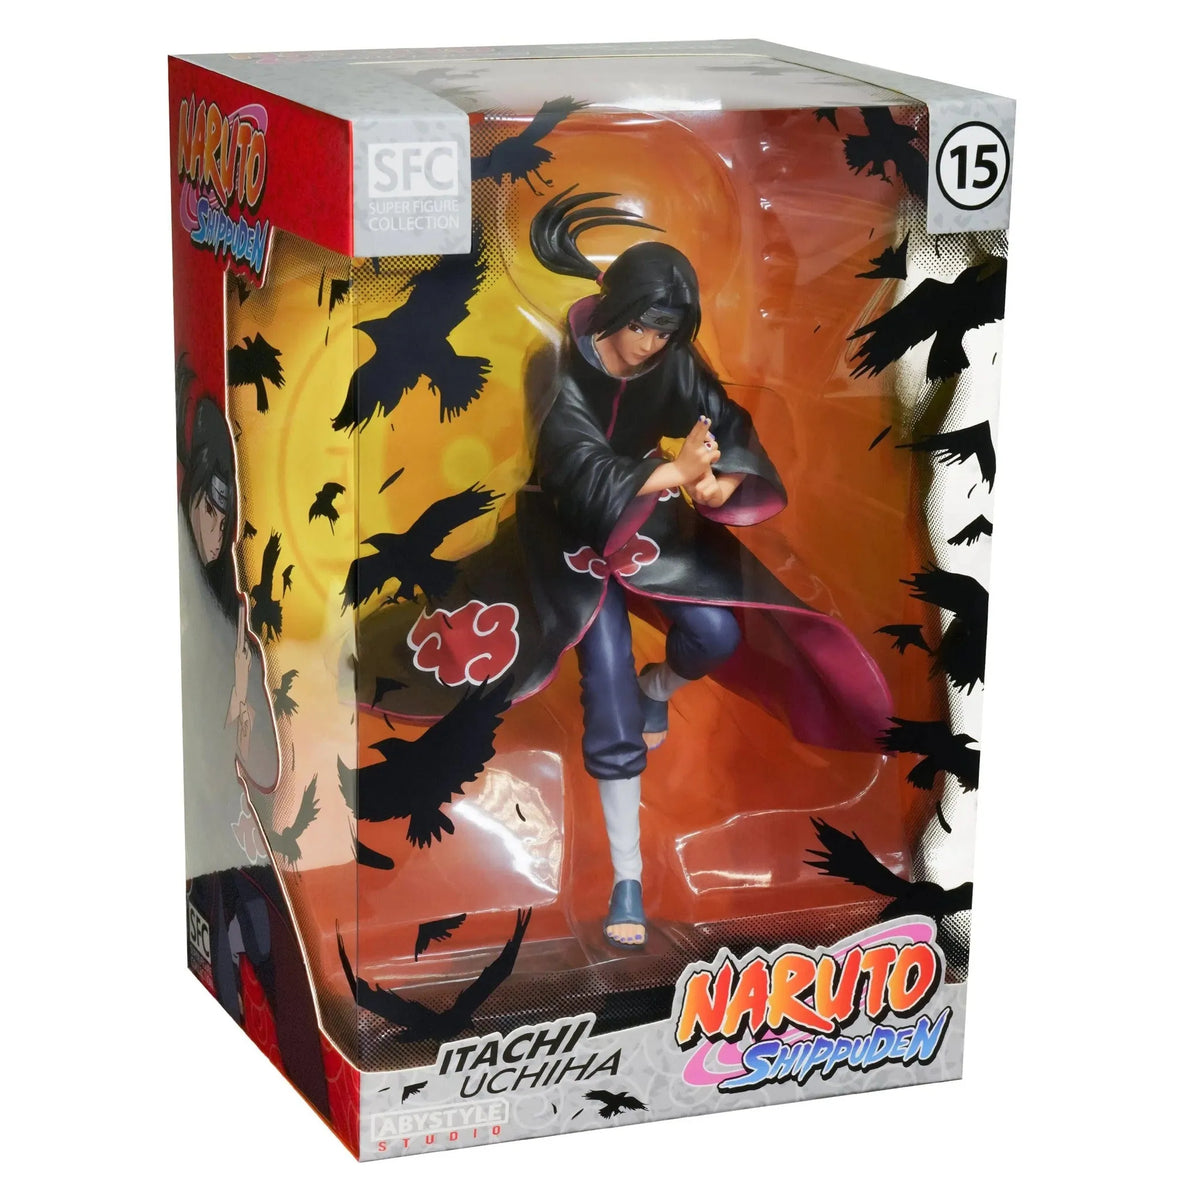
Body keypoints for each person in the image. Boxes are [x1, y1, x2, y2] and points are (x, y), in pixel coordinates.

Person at [355, 189, 893, 950]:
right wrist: (671, 473)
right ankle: (628, 878)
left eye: (665, 333)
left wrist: (715, 482)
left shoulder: (672, 361)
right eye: (642, 327)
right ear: (616, 311)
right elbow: (573, 466)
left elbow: (724, 422)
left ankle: (658, 690)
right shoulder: (556, 360)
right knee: (605, 675)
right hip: (564, 532)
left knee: (716, 635)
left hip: (647, 522)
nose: (649, 345)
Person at [177, 361, 330, 1114]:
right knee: (235, 948)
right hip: (212, 821)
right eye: (211, 505)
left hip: (252, 820)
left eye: (226, 509)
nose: (217, 526)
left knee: (280, 963)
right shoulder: (190, 584)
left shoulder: (239, 598)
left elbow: (260, 731)